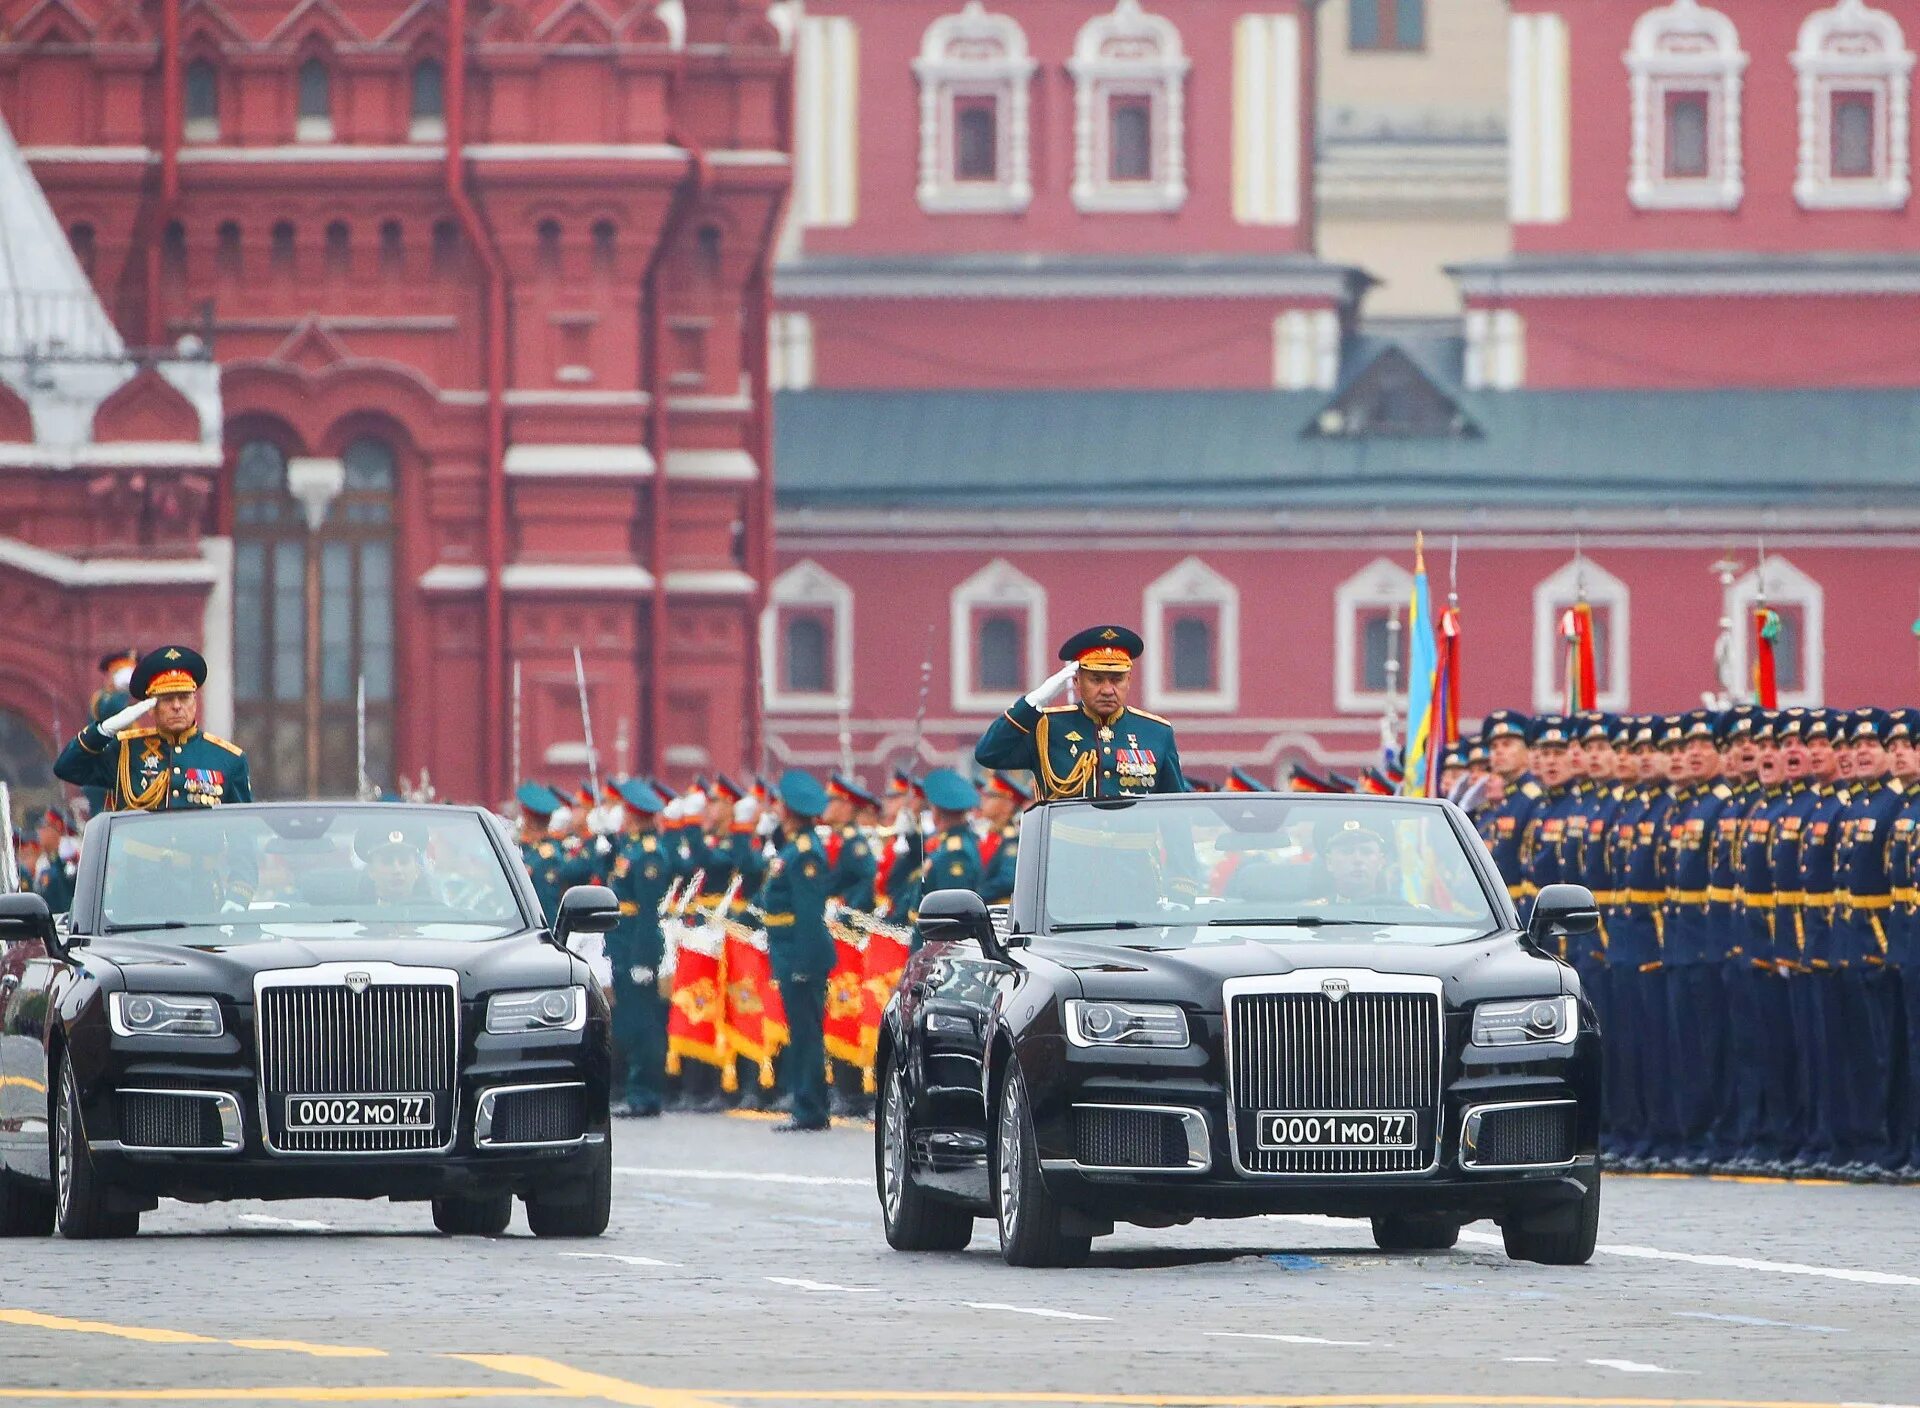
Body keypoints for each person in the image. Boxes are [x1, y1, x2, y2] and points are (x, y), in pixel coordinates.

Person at [975, 625, 1189, 799]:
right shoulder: (1047, 727)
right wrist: (1032, 702)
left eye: (1117, 680)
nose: (1107, 690)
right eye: (1096, 679)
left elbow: (1174, 809)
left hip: (1135, 851)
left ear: (1129, 680)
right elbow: (988, 754)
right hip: (1067, 851)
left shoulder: (1156, 732)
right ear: (1076, 681)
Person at [54, 645, 251, 811]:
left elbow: (242, 831)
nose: (176, 706)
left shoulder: (228, 759)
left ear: (195, 703)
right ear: (150, 708)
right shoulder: (126, 751)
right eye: (166, 699)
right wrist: (104, 730)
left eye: (184, 697)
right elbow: (67, 768)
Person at [758, 770, 835, 1132]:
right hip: (787, 950)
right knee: (800, 1030)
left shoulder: (806, 853)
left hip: (801, 953)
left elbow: (808, 913)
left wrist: (803, 962)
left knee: (806, 1033)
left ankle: (811, 1108)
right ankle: (806, 1100)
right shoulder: (792, 847)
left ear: (788, 810)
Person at [608, 779, 679, 1118]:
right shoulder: (632, 846)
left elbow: (648, 910)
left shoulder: (651, 854)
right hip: (623, 942)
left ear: (633, 813)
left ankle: (646, 1093)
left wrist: (642, 957)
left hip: (639, 944)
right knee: (631, 1021)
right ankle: (637, 1089)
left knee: (645, 1024)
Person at [978, 772, 1031, 905]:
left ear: (1008, 804)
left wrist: (976, 894)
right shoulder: (991, 836)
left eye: (991, 796)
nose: (984, 800)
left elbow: (1008, 880)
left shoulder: (1012, 839)